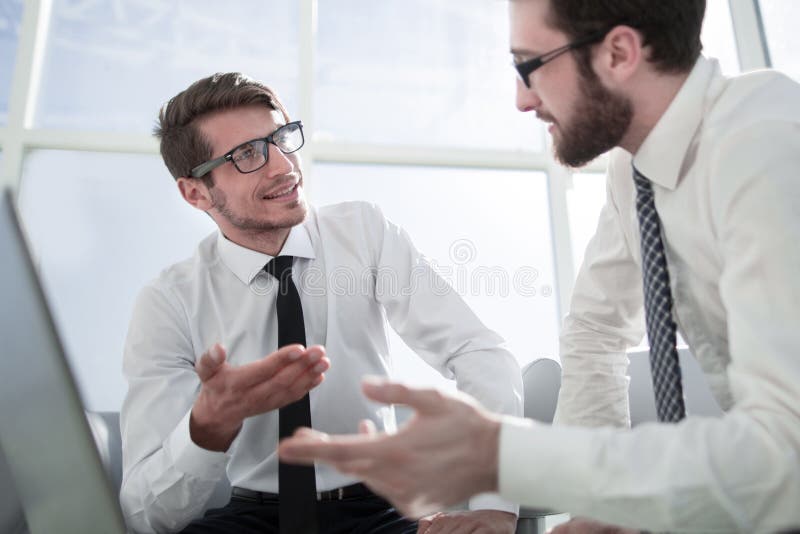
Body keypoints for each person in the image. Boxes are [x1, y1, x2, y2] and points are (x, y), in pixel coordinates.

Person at [278, 1, 800, 532]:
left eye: (529, 65)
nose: (522, 99)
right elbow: (595, 332)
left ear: (619, 53)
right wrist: (601, 508)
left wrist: (504, 455)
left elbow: (788, 449)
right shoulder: (634, 172)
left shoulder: (765, 142)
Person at [119, 72, 523, 534]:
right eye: (246, 155)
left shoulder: (364, 233)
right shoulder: (169, 302)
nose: (282, 166)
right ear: (195, 192)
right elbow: (144, 514)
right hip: (251, 519)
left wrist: (495, 504)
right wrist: (208, 426)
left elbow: (478, 353)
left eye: (281, 138)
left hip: (377, 514)